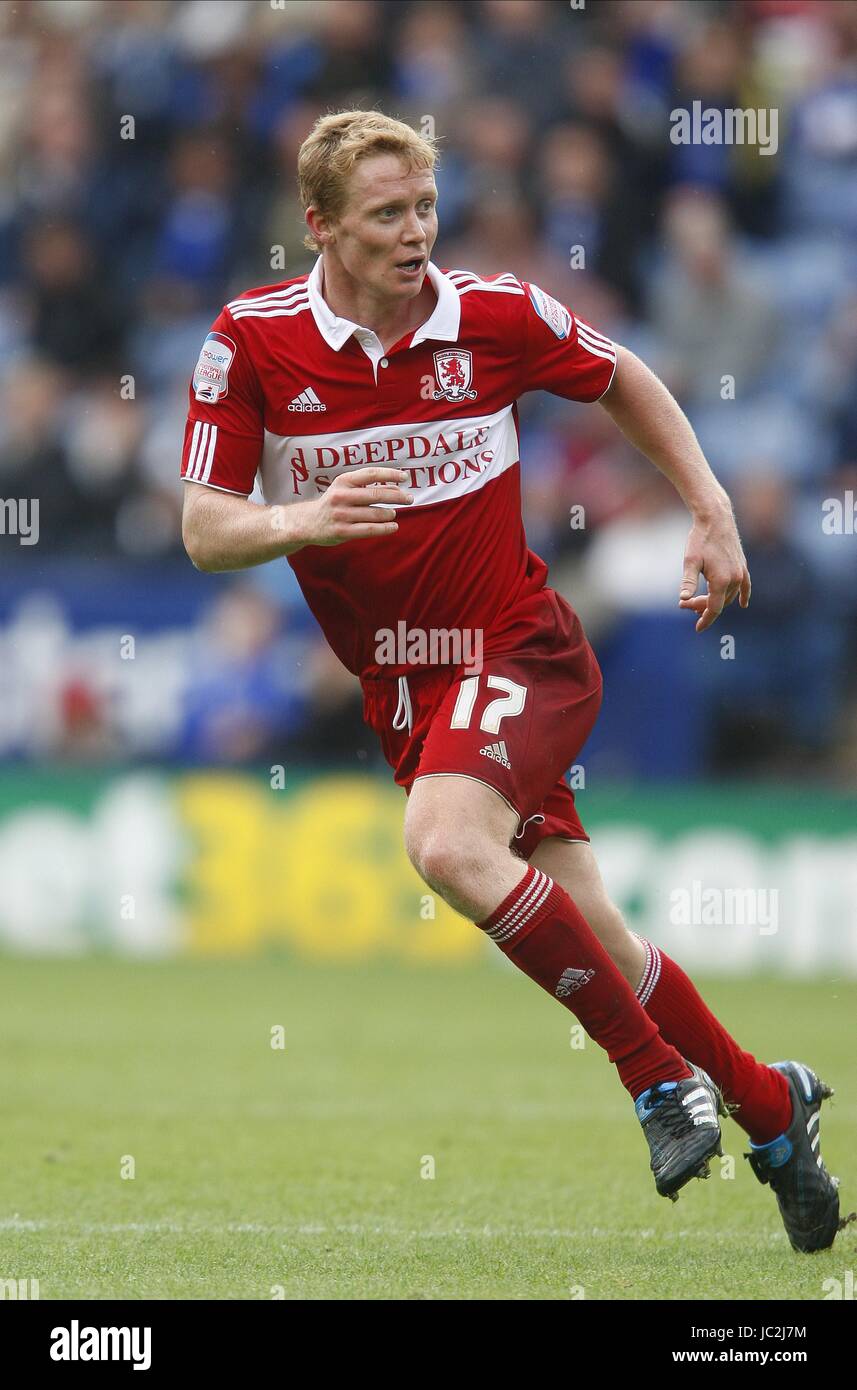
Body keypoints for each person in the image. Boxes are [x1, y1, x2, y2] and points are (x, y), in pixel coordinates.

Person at [180, 110, 841, 1251]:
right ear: (319, 225)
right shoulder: (249, 341)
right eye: (386, 214)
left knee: (444, 844)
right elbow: (204, 528)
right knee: (601, 941)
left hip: (517, 647)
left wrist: (708, 504)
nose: (415, 232)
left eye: (424, 206)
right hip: (405, 691)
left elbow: (620, 375)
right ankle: (769, 1106)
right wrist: (302, 518)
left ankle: (654, 1081)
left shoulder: (492, 315)